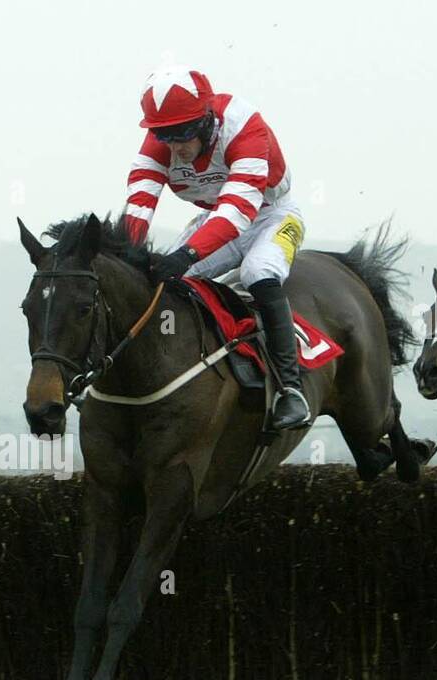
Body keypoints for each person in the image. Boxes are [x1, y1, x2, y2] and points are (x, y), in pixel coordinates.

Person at [124, 66, 310, 430]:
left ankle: (291, 389)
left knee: (258, 271)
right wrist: (132, 250)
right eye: (164, 135)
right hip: (216, 218)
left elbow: (238, 212)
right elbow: (140, 201)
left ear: (207, 120)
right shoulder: (161, 142)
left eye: (183, 134)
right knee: (165, 282)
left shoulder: (245, 126)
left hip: (270, 215)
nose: (175, 146)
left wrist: (186, 255)